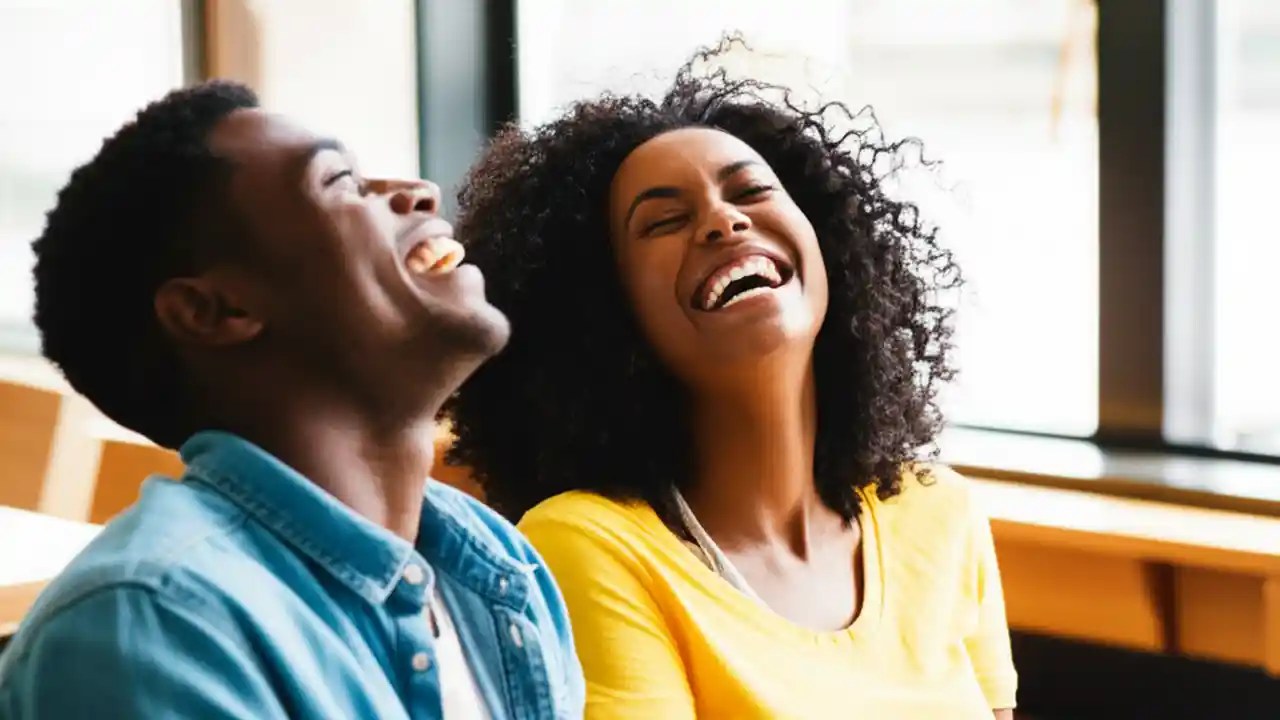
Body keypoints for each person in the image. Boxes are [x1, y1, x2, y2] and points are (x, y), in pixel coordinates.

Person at [445, 42, 1017, 719]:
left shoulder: (938, 511)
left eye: (750, 192)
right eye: (664, 221)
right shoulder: (586, 547)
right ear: (602, 309)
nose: (724, 220)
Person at [0, 81, 583, 719]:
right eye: (340, 182)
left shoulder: (497, 563)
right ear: (217, 310)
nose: (419, 192)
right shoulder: (153, 624)